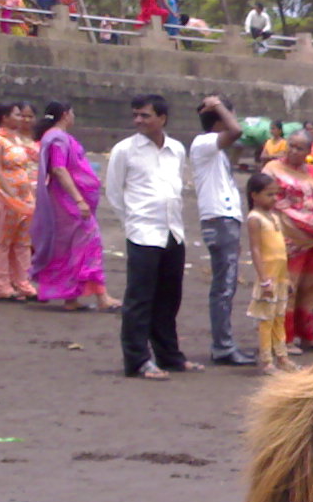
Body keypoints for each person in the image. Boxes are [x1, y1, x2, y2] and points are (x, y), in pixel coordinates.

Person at [105, 93, 196, 379]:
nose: (138, 120)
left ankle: (169, 355)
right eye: (136, 115)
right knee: (139, 299)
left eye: (145, 115)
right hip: (143, 232)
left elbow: (175, 187)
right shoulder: (125, 150)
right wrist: (131, 222)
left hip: (172, 230)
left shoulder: (177, 149)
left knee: (169, 298)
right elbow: (114, 192)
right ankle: (137, 360)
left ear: (162, 118)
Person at [30, 101, 119, 311]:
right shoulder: (58, 138)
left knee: (71, 248)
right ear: (65, 115)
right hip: (68, 204)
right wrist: (79, 200)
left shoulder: (53, 137)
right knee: (90, 244)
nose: (74, 117)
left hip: (65, 202)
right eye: (72, 113)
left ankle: (71, 298)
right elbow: (59, 169)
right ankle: (102, 297)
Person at [190, 94, 255, 365]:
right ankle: (223, 346)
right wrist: (218, 105)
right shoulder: (204, 142)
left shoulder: (211, 149)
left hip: (223, 221)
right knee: (224, 287)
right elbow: (236, 130)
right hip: (219, 220)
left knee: (224, 285)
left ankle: (223, 344)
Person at [265, 129, 313, 352]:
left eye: (299, 148)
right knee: (288, 288)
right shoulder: (272, 170)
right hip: (287, 239)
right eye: (290, 145)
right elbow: (268, 202)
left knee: (310, 287)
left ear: (308, 151)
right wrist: (298, 221)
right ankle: (285, 338)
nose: (293, 151)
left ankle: (307, 336)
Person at [0, 101, 38, 300]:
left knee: (22, 243)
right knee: (0, 243)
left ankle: (23, 283)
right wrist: (9, 195)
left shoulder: (15, 139)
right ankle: (2, 286)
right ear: (4, 117)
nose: (22, 118)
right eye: (17, 115)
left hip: (22, 198)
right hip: (2, 197)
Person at [242, 173, 296, 373]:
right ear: (254, 195)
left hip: (280, 274)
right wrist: (264, 278)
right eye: (269, 195)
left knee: (279, 316)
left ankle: (281, 356)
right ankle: (266, 360)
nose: (274, 199)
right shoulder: (254, 219)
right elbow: (256, 249)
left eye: (276, 194)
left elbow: (282, 249)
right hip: (269, 275)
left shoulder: (274, 216)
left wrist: (288, 277)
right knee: (266, 319)